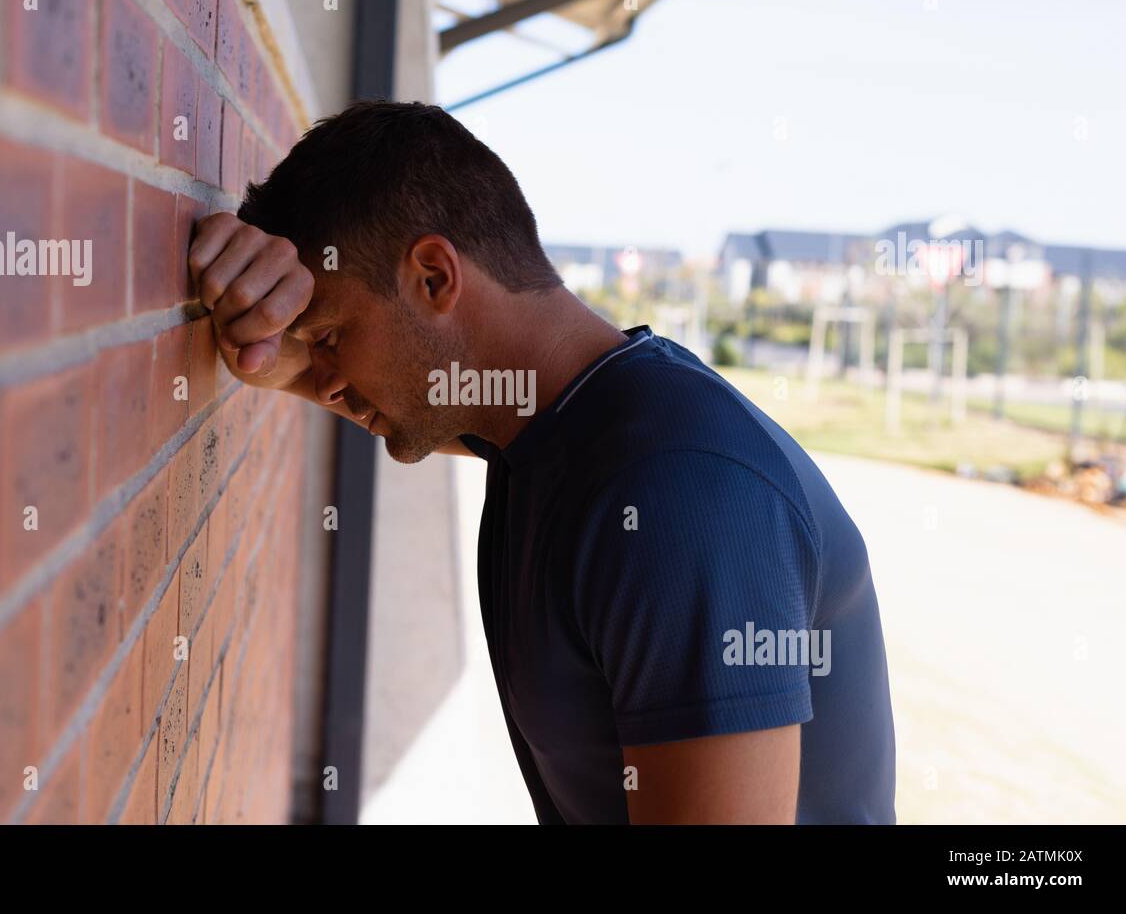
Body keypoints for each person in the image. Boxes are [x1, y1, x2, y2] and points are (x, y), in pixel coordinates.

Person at [187, 99, 896, 824]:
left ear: (434, 277)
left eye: (333, 334)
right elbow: (346, 383)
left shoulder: (677, 490)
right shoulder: (549, 427)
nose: (327, 378)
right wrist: (270, 340)